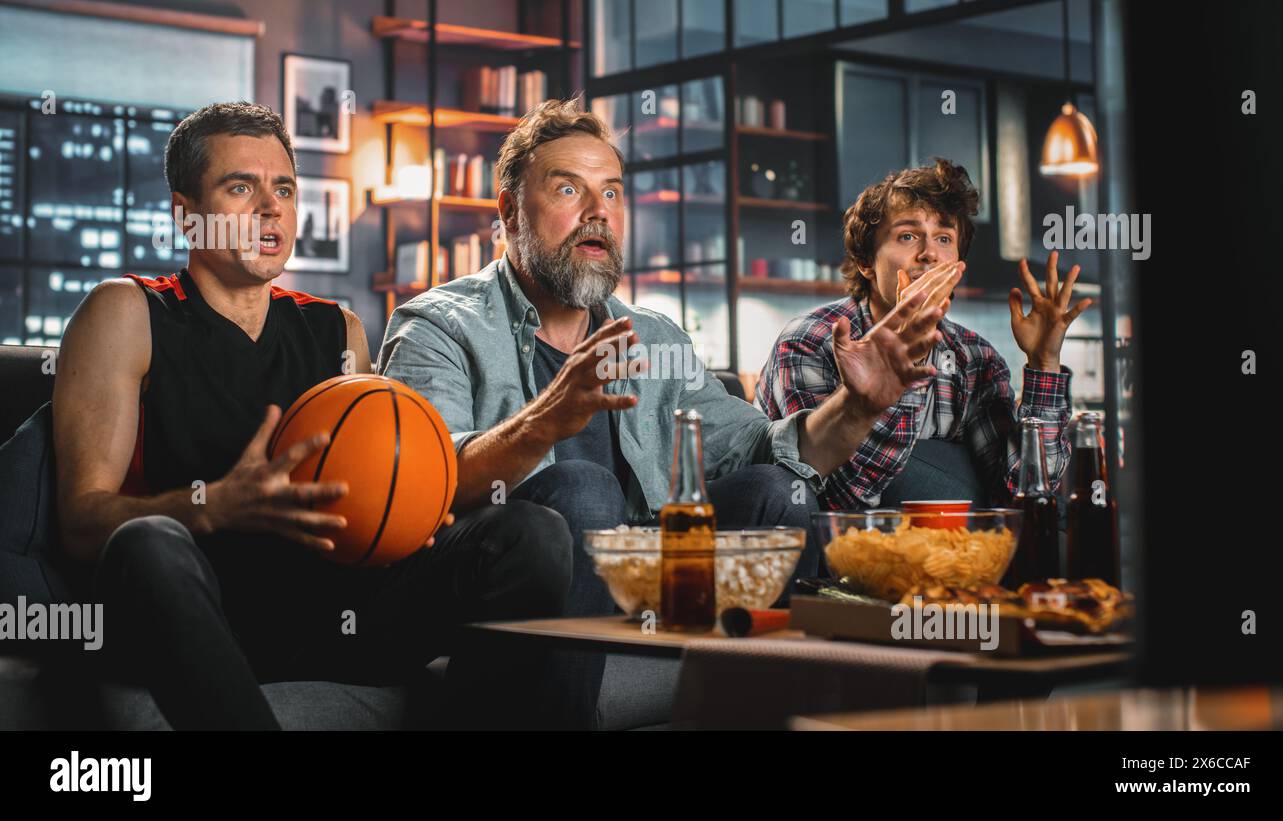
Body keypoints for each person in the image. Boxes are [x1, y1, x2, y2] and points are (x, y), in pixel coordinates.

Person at [379, 98, 954, 727]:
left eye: (613, 193)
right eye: (569, 188)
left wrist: (856, 408)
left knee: (777, 490)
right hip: (497, 574)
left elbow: (761, 446)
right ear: (509, 209)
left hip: (642, 577)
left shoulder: (654, 337)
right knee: (582, 488)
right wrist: (547, 418)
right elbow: (424, 483)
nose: (598, 212)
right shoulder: (438, 323)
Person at [52, 101, 569, 730]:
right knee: (146, 544)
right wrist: (211, 506)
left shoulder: (336, 330)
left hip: (331, 617)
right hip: (194, 610)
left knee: (531, 533)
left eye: (284, 188)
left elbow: (373, 480)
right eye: (240, 186)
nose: (270, 208)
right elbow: (81, 523)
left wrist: (413, 508)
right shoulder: (127, 311)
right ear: (186, 215)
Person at [757, 158, 1092, 511]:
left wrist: (1044, 364)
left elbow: (1023, 493)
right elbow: (840, 497)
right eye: (907, 236)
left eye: (944, 238)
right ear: (866, 262)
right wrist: (907, 359)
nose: (929, 253)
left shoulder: (977, 359)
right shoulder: (809, 341)